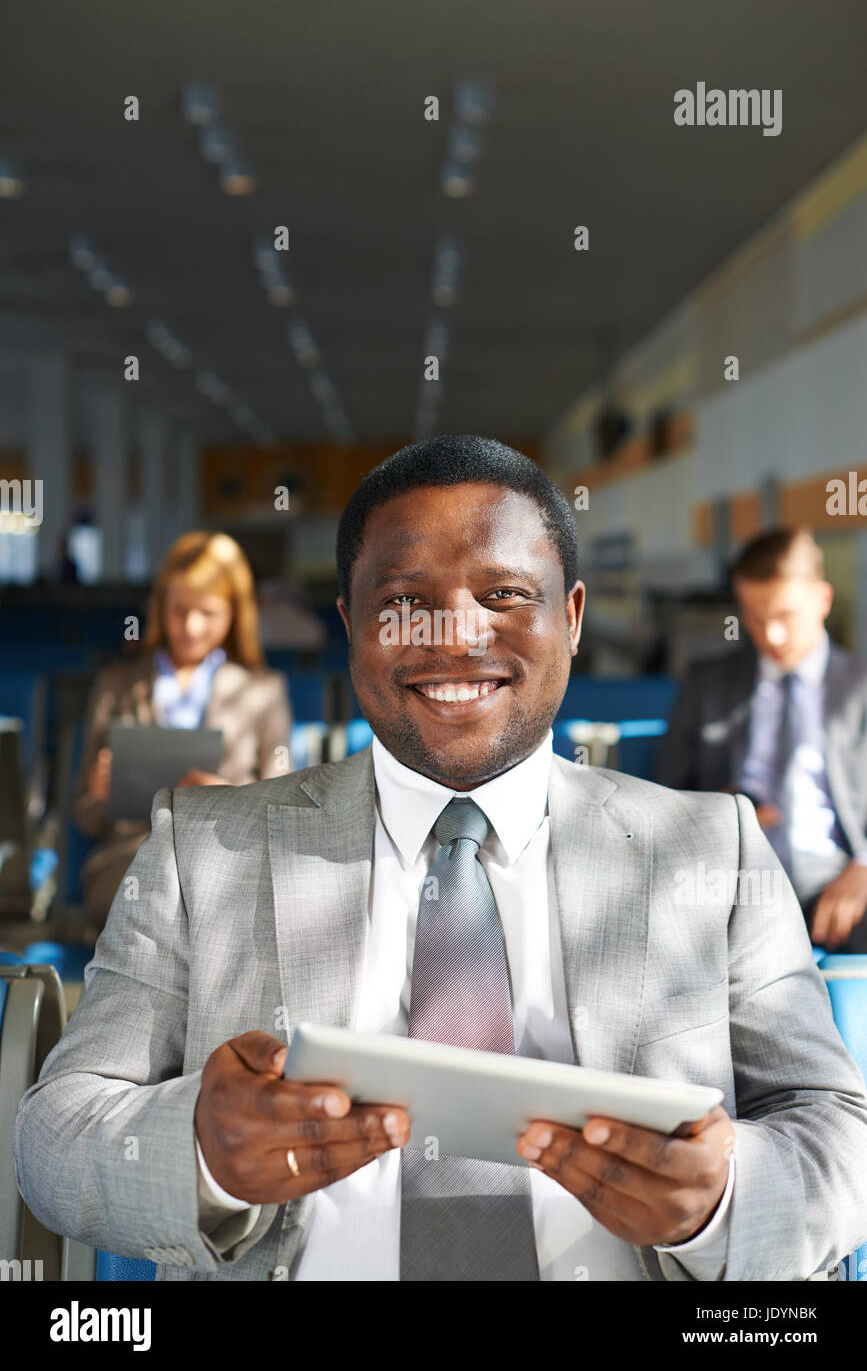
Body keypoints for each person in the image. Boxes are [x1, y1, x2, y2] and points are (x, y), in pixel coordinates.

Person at [15, 438, 867, 1282]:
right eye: (404, 602)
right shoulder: (202, 849)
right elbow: (56, 1139)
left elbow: (833, 1128)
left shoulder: (708, 848)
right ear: (351, 625)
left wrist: (719, 1203)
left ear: (569, 618)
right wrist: (201, 1153)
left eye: (501, 594)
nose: (455, 638)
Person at [656, 526, 867, 953]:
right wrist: (721, 807)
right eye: (754, 616)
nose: (770, 635)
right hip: (726, 874)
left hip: (836, 875)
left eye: (784, 616)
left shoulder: (860, 688)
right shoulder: (706, 681)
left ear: (822, 601)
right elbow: (664, 792)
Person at [71, 530, 292, 930]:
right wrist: (101, 794)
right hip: (132, 857)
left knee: (206, 893)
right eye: (179, 611)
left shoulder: (263, 691)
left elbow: (284, 809)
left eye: (207, 613)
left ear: (233, 613)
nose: (190, 627)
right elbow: (84, 815)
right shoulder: (116, 685)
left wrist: (227, 798)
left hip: (226, 854)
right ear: (160, 608)